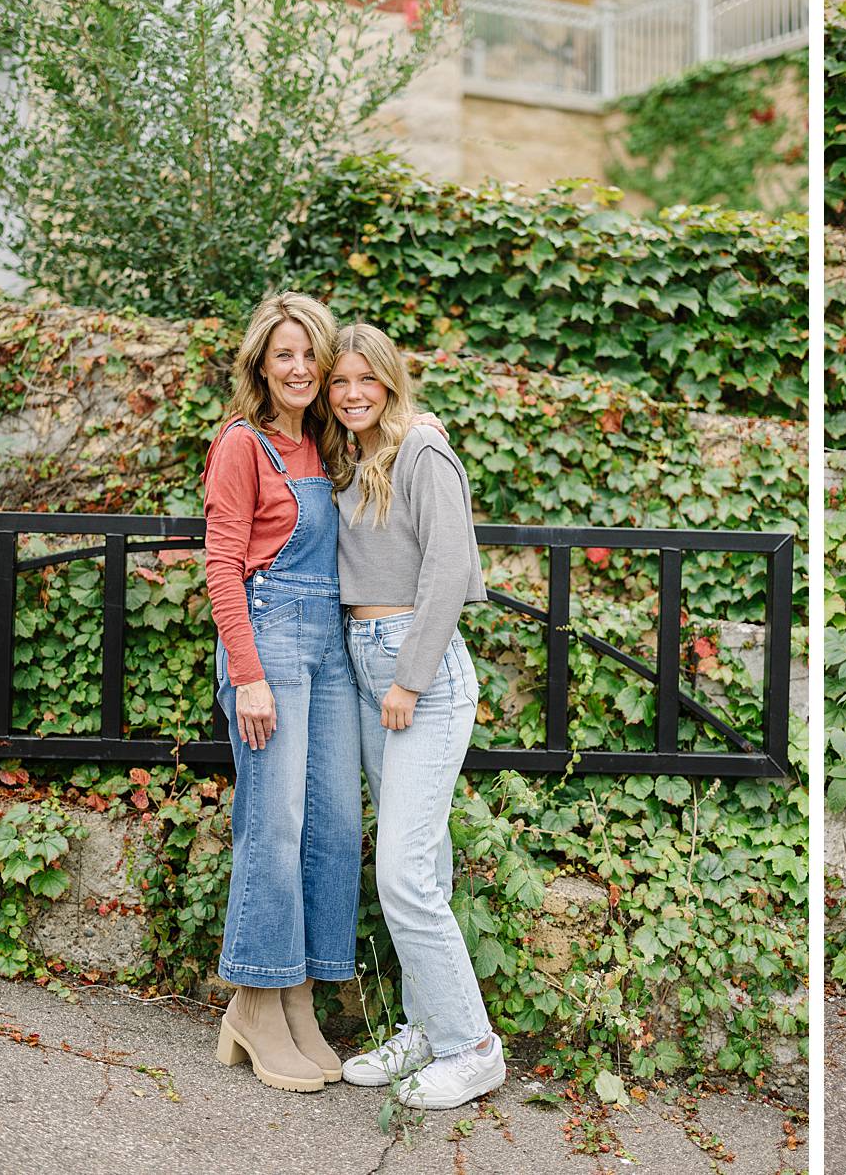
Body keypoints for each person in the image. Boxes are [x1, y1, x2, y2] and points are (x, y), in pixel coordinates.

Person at [324, 322, 506, 1111]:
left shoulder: (424, 451)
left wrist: (409, 678)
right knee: (422, 865)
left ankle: (474, 1049)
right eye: (340, 381)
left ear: (391, 380)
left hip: (418, 676)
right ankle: (429, 1029)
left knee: (400, 872)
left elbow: (450, 566)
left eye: (367, 379)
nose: (353, 393)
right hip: (367, 665)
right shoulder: (348, 457)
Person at [205, 292, 361, 1093]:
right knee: (273, 824)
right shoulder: (243, 444)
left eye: (310, 355)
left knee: (333, 823)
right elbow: (221, 565)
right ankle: (255, 1004)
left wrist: (427, 430)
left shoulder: (331, 445)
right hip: (267, 643)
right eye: (284, 356)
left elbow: (398, 429)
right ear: (262, 367)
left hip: (329, 645)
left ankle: (298, 995)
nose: (299, 369)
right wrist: (249, 676)